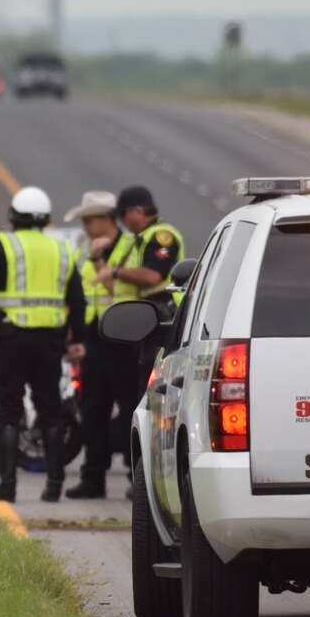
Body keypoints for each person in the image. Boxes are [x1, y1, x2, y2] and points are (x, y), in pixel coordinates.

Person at [0, 186, 86, 503]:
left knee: (8, 411)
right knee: (51, 412)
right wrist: (79, 339)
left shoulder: (4, 245)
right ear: (45, 219)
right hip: (49, 341)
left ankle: (8, 485)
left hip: (11, 339)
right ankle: (54, 485)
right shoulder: (61, 249)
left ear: (13, 216)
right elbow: (78, 299)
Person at [62, 191, 139, 500]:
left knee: (132, 409)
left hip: (124, 339)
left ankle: (138, 478)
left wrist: (99, 260)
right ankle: (93, 478)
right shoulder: (88, 248)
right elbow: (84, 295)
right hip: (95, 338)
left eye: (88, 220)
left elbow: (115, 287)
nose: (84, 227)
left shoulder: (128, 247)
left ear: (106, 219)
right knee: (93, 410)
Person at [114, 185, 185, 499]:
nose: (125, 223)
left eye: (125, 216)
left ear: (137, 211)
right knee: (139, 397)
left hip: (161, 319)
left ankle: (148, 477)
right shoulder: (141, 238)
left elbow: (153, 277)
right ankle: (140, 474)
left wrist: (116, 272)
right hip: (148, 322)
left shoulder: (161, 236)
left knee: (152, 398)